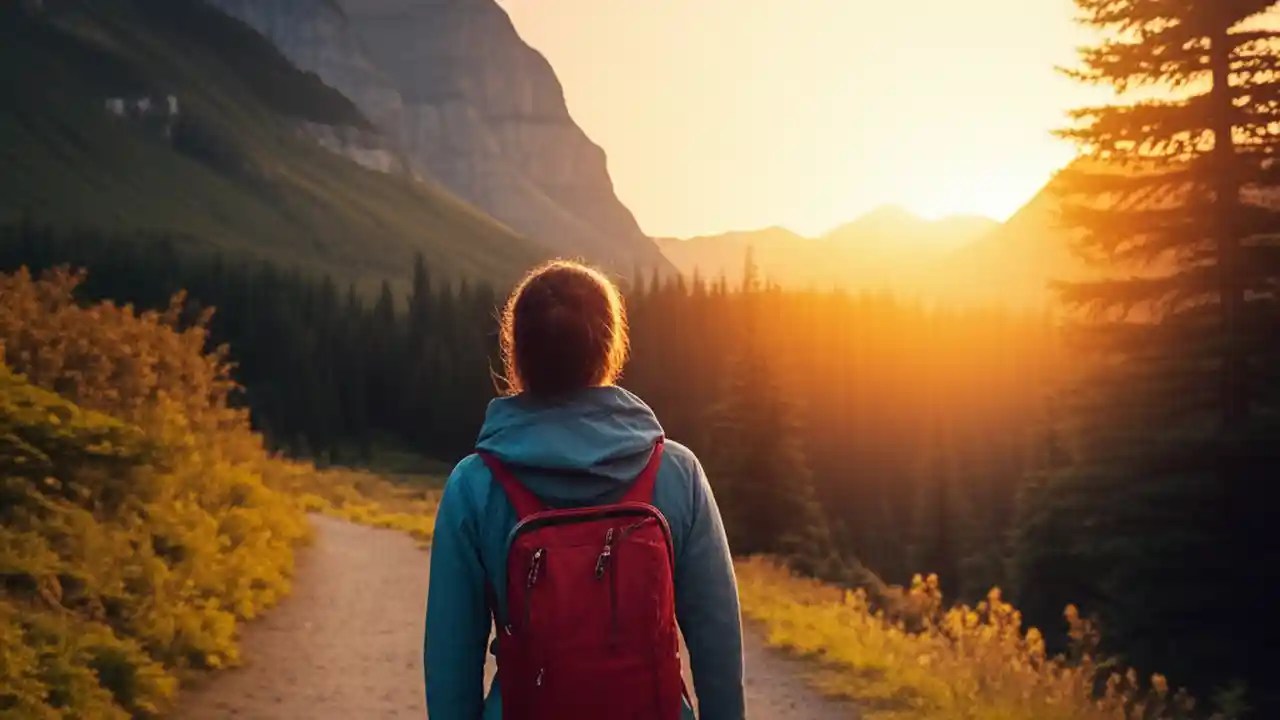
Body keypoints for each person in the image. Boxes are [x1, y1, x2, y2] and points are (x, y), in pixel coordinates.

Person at [424, 260, 745, 719]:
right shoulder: (676, 471)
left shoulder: (475, 485)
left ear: (517, 353)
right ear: (610, 347)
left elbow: (450, 659)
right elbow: (717, 643)